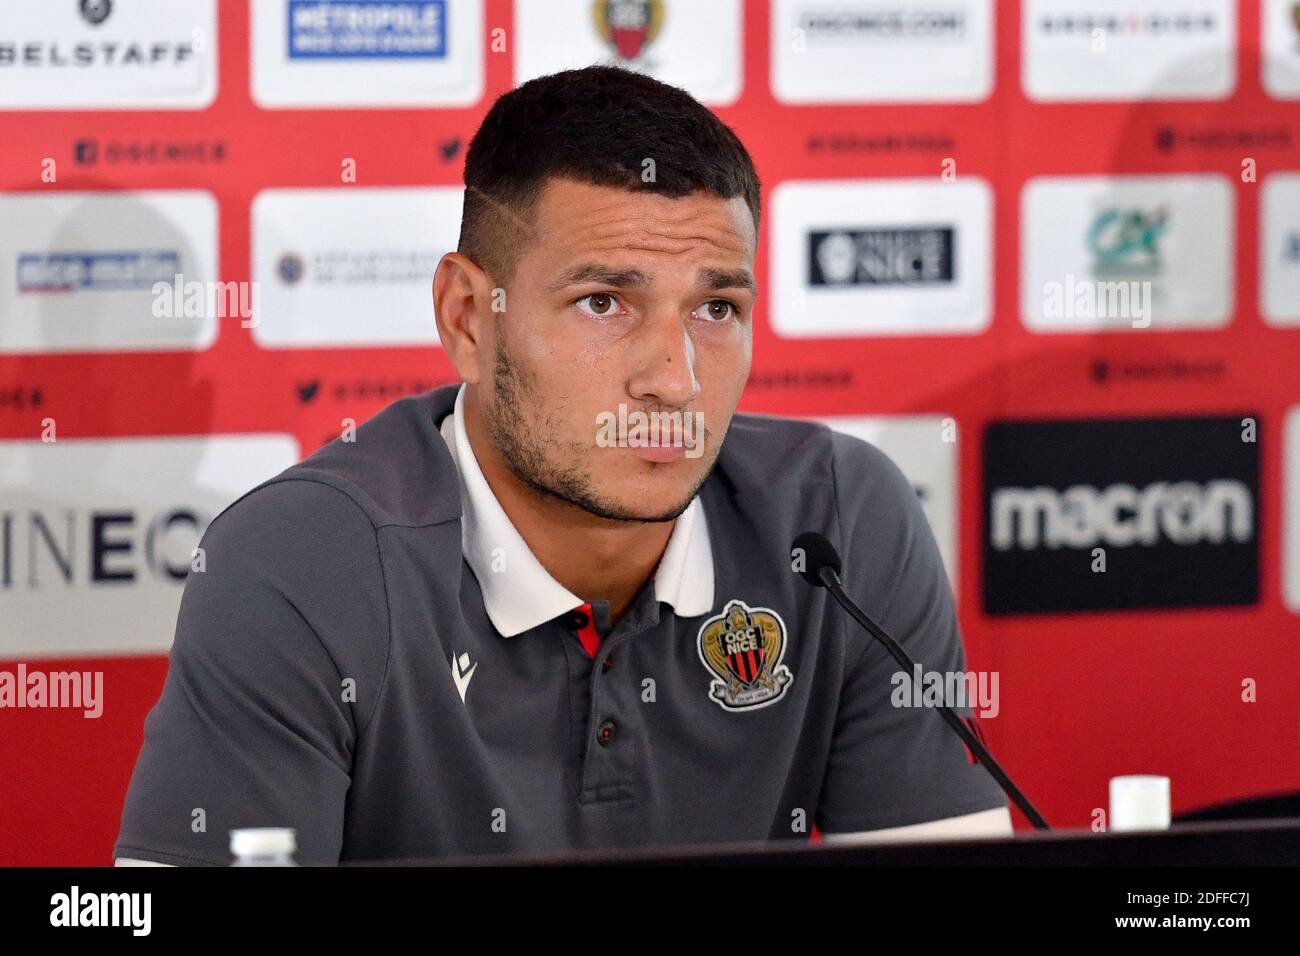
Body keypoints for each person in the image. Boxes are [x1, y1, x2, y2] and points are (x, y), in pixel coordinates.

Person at [115, 65, 1010, 866]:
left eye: (717, 309)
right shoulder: (304, 559)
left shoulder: (840, 522)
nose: (673, 379)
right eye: (601, 302)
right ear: (469, 318)